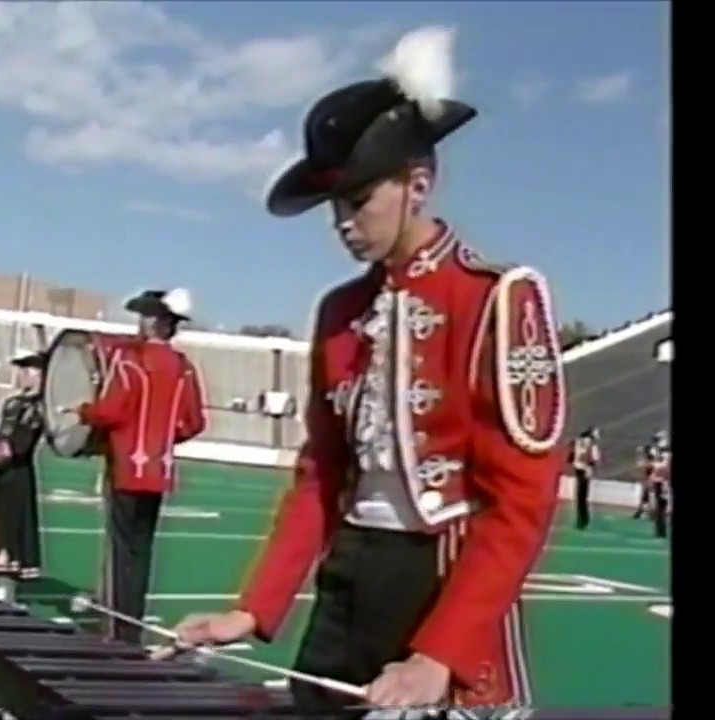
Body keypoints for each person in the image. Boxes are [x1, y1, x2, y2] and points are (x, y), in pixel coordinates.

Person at [170, 26, 567, 711]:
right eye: (334, 208)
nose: (343, 224)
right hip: (350, 574)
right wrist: (254, 608)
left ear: (418, 183)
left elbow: (522, 499)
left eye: (358, 201)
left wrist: (438, 654)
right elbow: (322, 471)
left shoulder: (497, 297)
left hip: (441, 579)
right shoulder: (340, 311)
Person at [74, 288, 208, 644]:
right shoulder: (184, 368)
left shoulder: (130, 360)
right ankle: (131, 625)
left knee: (119, 551)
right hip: (159, 470)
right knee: (142, 552)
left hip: (125, 467)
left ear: (153, 321)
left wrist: (83, 411)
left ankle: (117, 628)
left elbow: (111, 411)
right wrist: (163, 441)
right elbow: (194, 422)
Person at [0, 348, 47, 602]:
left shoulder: (38, 408)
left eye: (29, 369)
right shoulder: (14, 402)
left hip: (16, 473)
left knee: (11, 528)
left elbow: (19, 444)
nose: (23, 375)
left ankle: (8, 588)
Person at [571, 427, 601, 530]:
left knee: (580, 497)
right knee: (583, 497)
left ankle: (581, 519)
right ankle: (584, 520)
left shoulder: (579, 440)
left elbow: (573, 455)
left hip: (579, 468)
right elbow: (594, 458)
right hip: (585, 469)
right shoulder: (591, 443)